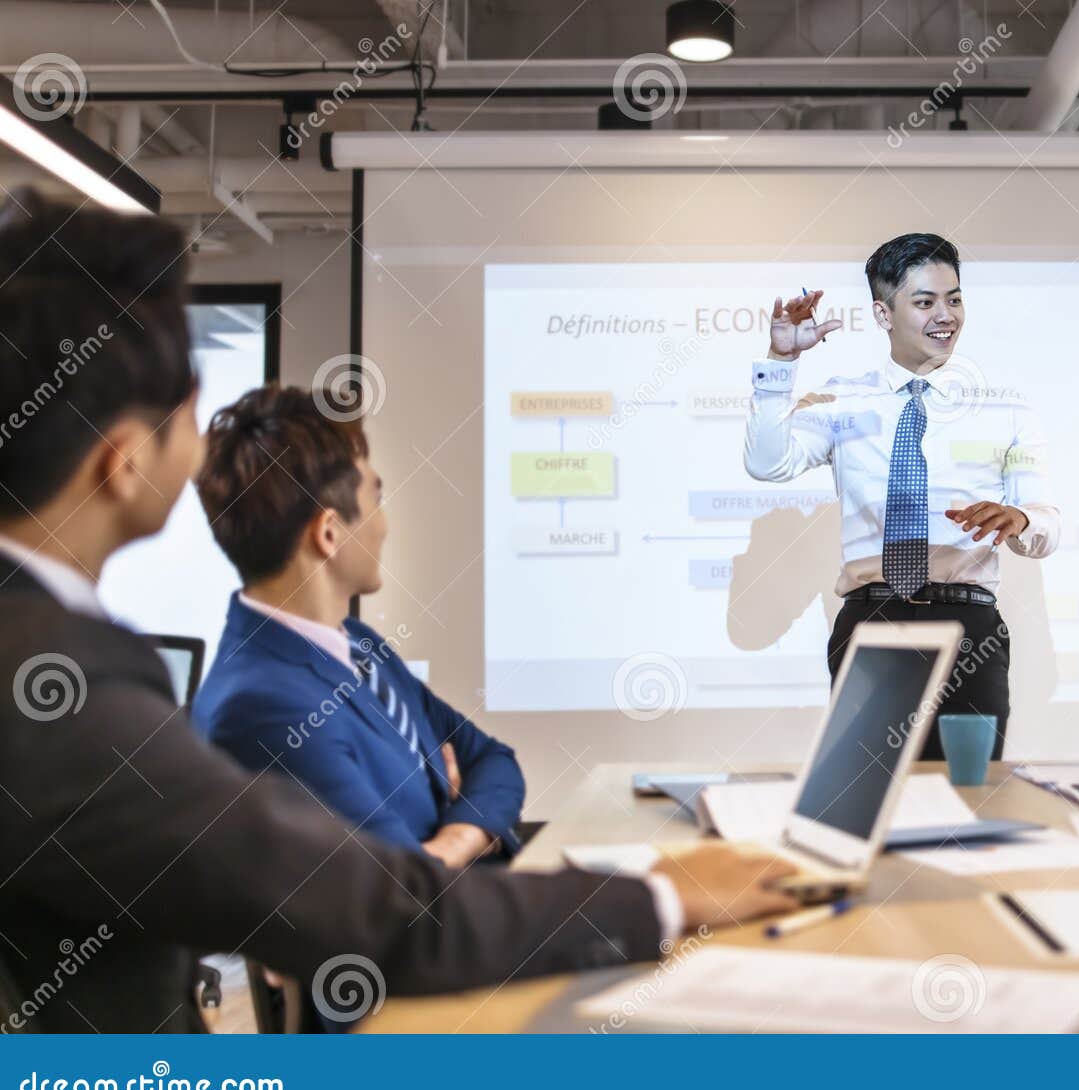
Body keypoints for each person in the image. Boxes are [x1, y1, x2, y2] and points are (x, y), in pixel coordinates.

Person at [0, 190, 794, 1033]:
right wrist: (660, 898)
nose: (198, 455)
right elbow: (379, 909)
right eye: (186, 421)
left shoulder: (57, 653)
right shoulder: (63, 688)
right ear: (123, 464)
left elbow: (480, 775)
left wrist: (447, 844)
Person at [742, 234, 1059, 760]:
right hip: (873, 624)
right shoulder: (842, 398)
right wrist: (780, 362)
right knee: (868, 798)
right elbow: (768, 463)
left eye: (954, 299)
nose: (946, 315)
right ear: (883, 314)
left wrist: (1019, 518)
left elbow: (1045, 526)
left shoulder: (1007, 411)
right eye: (925, 301)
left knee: (965, 800)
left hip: (970, 630)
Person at [193, 386, 517, 868]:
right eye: (376, 498)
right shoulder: (264, 711)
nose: (384, 524)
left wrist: (453, 840)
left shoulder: (360, 645)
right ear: (328, 533)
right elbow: (409, 894)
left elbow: (494, 760)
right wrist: (465, 821)